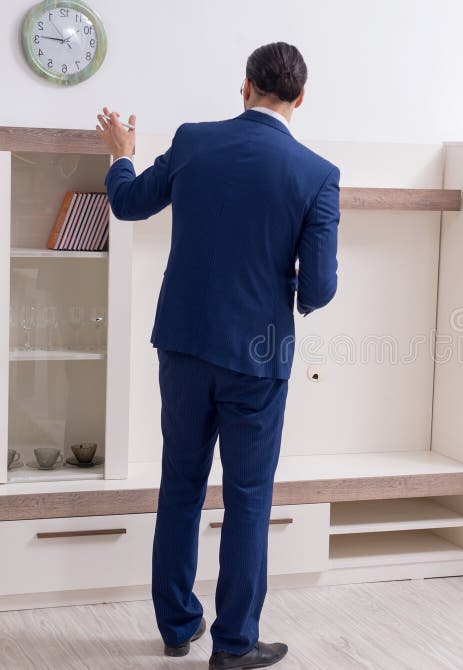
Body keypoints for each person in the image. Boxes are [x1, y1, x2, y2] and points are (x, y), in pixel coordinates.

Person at [95, 42, 340, 668]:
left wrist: (121, 156)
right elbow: (317, 290)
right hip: (256, 358)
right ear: (301, 98)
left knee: (180, 484)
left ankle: (178, 627)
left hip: (182, 344)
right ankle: (234, 644)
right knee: (248, 497)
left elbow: (128, 202)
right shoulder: (317, 174)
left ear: (246, 87)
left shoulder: (194, 140)